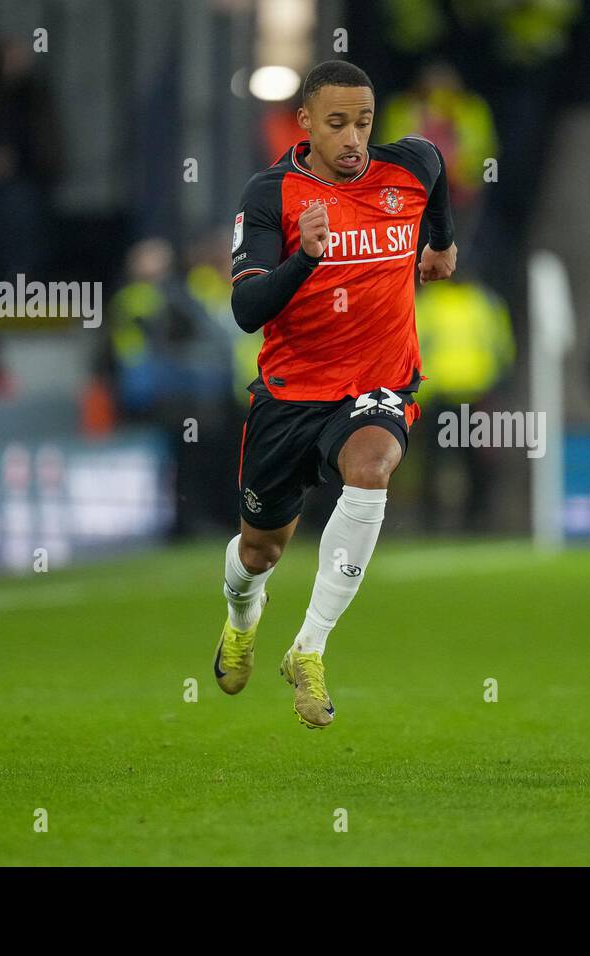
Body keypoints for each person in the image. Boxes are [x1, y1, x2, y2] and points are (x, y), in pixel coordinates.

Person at [217, 60, 456, 728]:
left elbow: (436, 168)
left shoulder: (406, 169)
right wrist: (306, 259)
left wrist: (441, 241)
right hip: (290, 397)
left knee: (372, 468)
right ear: (306, 125)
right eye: (337, 124)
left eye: (364, 122)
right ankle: (243, 617)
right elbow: (246, 309)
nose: (354, 139)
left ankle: (309, 648)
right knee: (259, 550)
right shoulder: (271, 195)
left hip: (376, 384)